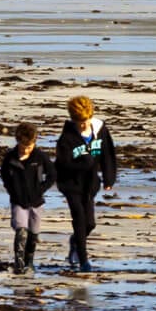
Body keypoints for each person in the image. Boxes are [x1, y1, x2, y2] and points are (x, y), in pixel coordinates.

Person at [55, 95, 118, 272]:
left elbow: (108, 154)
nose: (83, 125)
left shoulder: (100, 129)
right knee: (80, 220)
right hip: (70, 183)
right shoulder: (67, 137)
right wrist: (83, 163)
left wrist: (109, 178)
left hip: (90, 184)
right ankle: (83, 261)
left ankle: (75, 241)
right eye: (79, 122)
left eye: (85, 121)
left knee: (90, 224)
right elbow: (63, 162)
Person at [0, 122, 55, 275]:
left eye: (29, 147)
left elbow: (52, 175)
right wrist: (12, 191)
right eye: (23, 147)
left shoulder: (40, 156)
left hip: (36, 202)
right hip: (18, 202)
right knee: (21, 230)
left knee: (33, 233)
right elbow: (4, 176)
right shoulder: (10, 158)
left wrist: (41, 190)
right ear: (18, 142)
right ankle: (19, 263)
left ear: (34, 143)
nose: (26, 150)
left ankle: (30, 262)